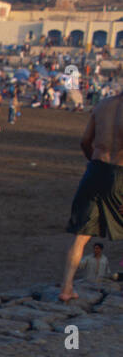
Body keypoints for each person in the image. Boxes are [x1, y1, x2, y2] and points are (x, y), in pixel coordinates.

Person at [59, 93, 123, 301]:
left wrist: (94, 163)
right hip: (119, 173)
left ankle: (66, 288)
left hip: (95, 170)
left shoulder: (103, 104)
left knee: (81, 236)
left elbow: (85, 141)